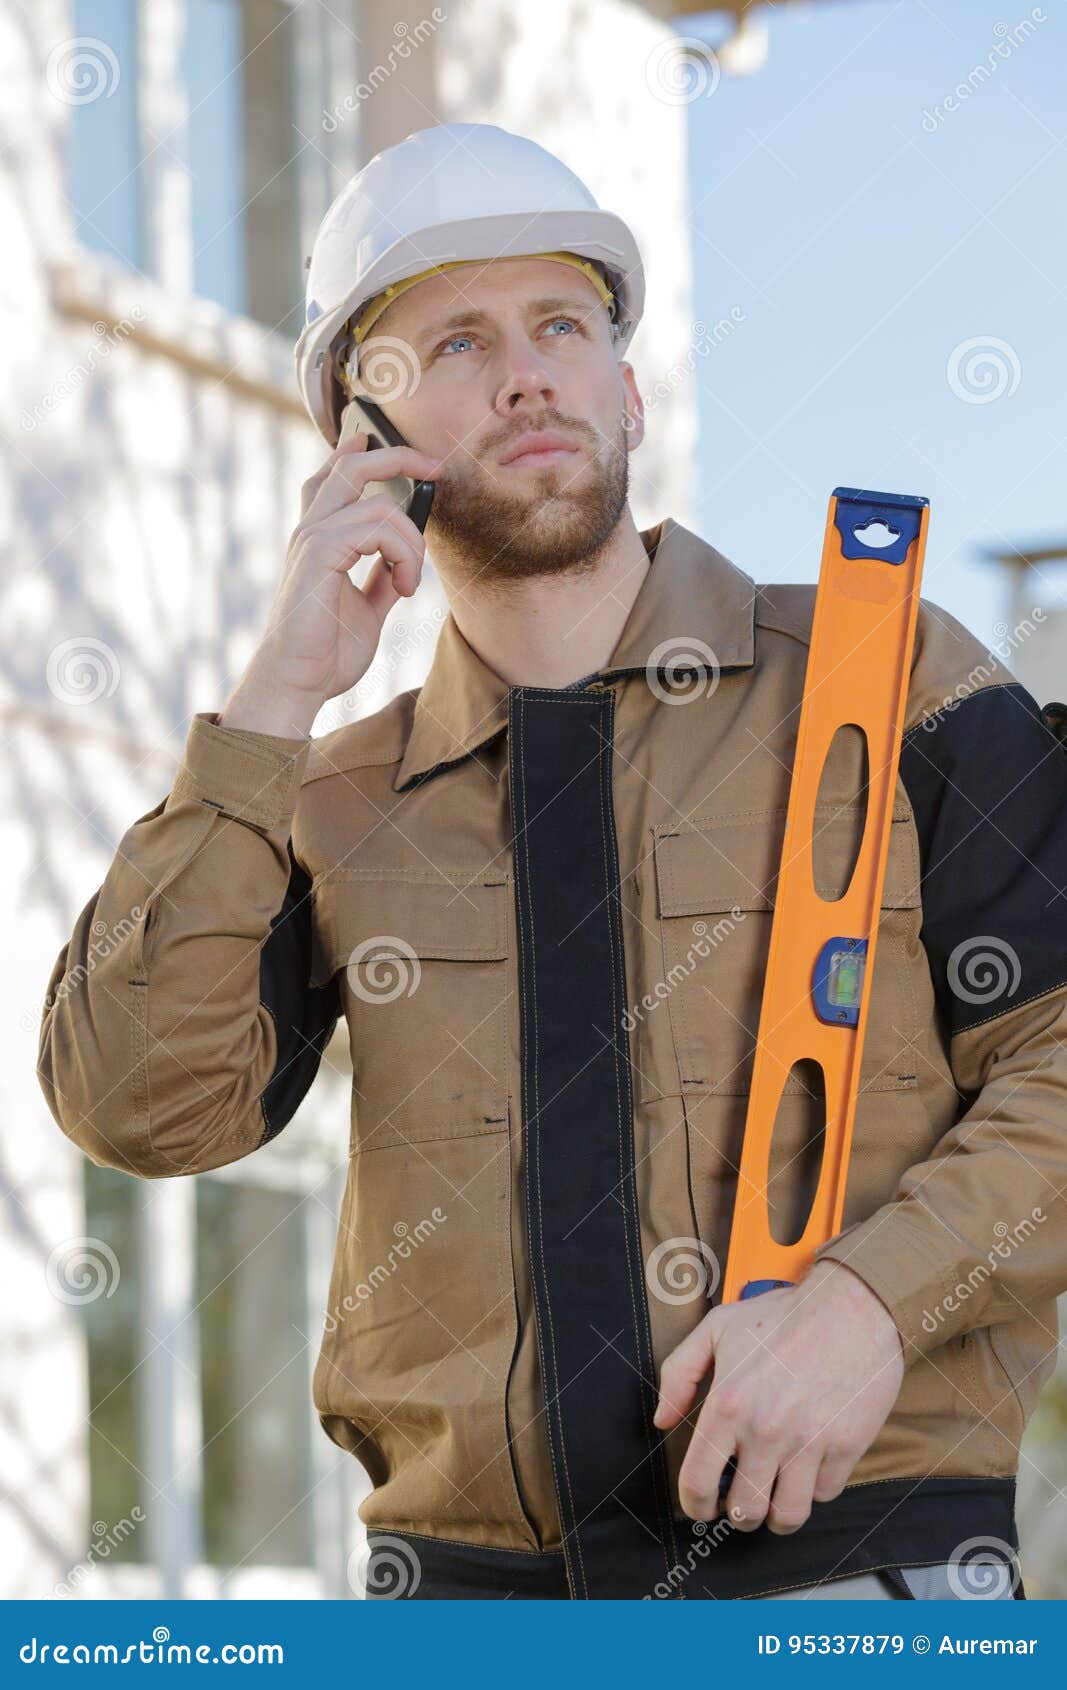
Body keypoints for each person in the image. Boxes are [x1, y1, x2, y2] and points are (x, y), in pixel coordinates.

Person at [40, 122, 1066, 1601]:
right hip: (467, 1605)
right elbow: (135, 1104)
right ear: (362, 446)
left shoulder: (885, 671)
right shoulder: (324, 794)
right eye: (455, 341)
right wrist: (277, 694)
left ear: (626, 391)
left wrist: (869, 1303)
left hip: (856, 1577)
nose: (526, 372)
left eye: (562, 326)